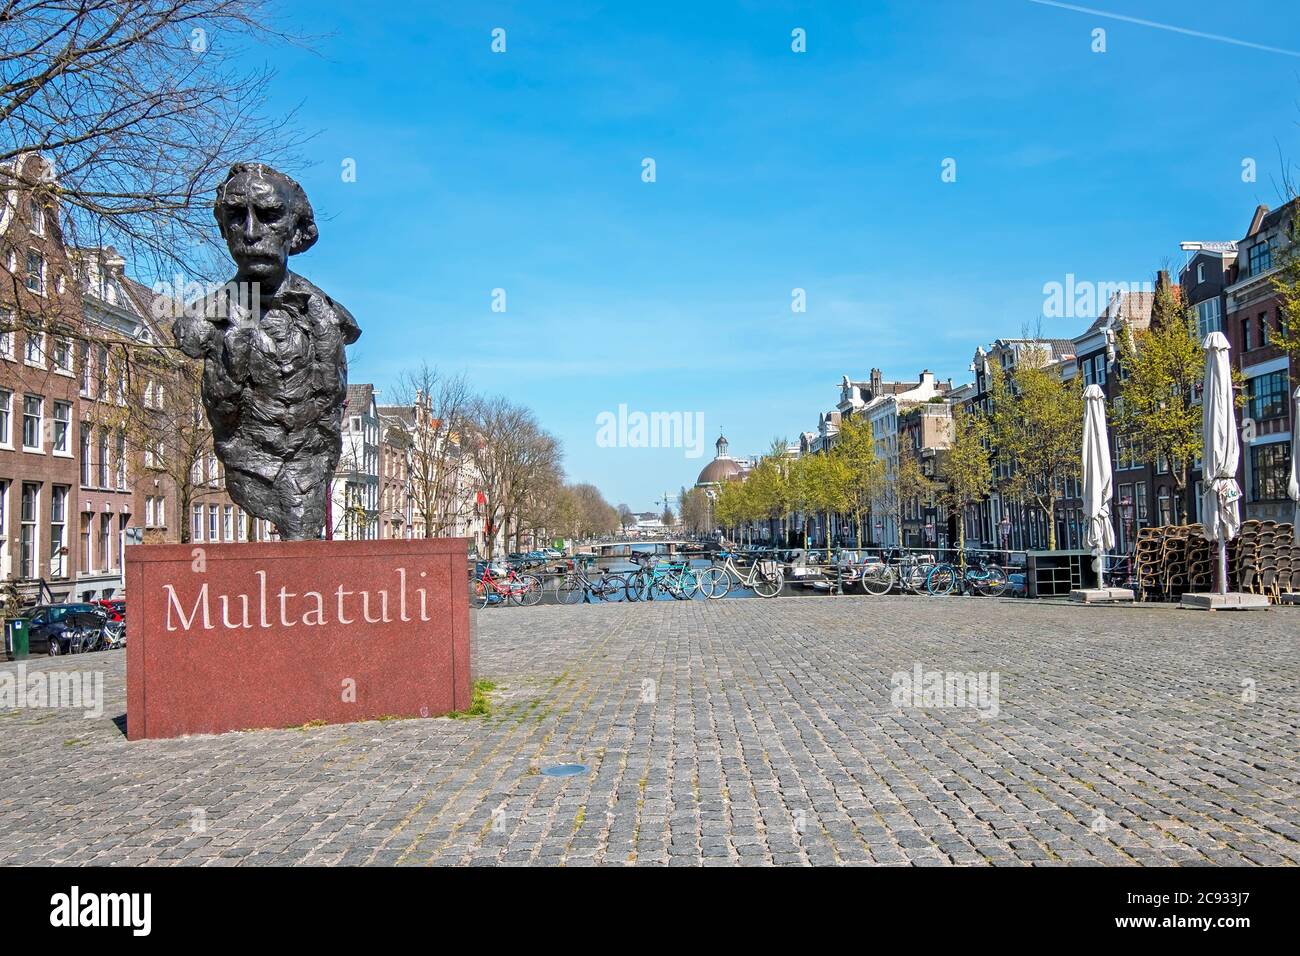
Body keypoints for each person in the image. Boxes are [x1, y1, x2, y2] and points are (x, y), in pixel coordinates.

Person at [174, 163, 361, 539]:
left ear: (297, 230)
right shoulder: (199, 323)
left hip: (309, 470)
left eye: (269, 216)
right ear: (224, 228)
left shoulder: (332, 318)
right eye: (236, 217)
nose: (252, 231)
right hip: (248, 466)